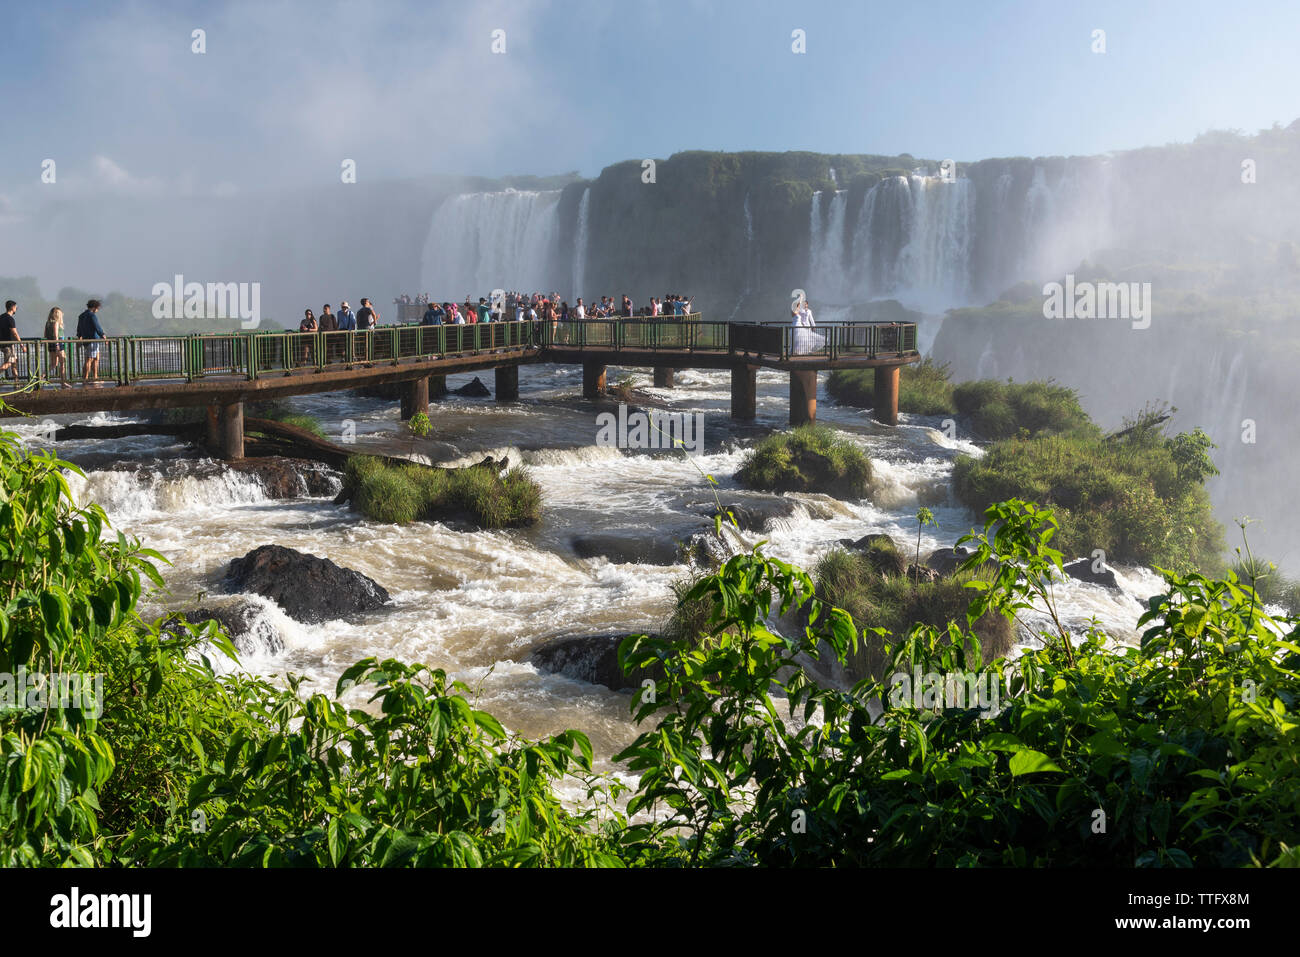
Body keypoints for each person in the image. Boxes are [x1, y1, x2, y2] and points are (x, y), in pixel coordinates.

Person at [76, 299, 105, 384]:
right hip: (93, 339)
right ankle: (85, 379)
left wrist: (79, 337)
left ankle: (95, 377)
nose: (97, 310)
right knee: (90, 359)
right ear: (94, 307)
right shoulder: (92, 315)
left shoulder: (81, 316)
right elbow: (97, 326)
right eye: (97, 308)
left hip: (86, 340)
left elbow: (79, 328)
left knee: (95, 358)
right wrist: (103, 334)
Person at [44, 307, 68, 385]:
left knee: (53, 364)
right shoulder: (56, 322)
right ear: (57, 314)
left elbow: (45, 335)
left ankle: (40, 377)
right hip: (58, 343)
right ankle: (63, 382)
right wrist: (57, 345)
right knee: (63, 363)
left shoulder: (48, 323)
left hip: (51, 344)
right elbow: (56, 334)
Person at [0, 300, 20, 381]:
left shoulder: (1, 317)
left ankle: (16, 381)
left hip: (3, 344)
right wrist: (21, 344)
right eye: (16, 307)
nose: (16, 308)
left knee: (13, 362)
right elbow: (15, 333)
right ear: (12, 307)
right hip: (9, 345)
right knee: (9, 363)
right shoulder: (10, 319)